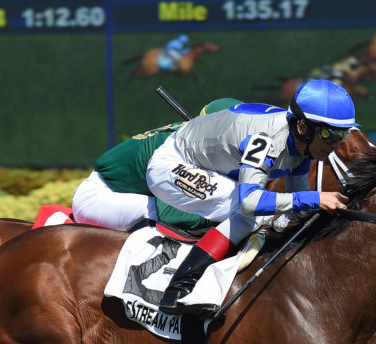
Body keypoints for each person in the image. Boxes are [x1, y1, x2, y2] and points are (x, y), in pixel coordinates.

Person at [145, 79, 359, 316]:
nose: (337, 145)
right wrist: (315, 199)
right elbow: (251, 203)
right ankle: (178, 289)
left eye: (343, 134)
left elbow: (298, 205)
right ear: (302, 127)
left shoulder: (303, 147)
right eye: (329, 134)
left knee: (273, 215)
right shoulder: (266, 139)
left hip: (208, 165)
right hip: (171, 165)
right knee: (250, 214)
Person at [71, 97, 243, 234]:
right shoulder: (179, 152)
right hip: (99, 199)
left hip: (129, 189)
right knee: (197, 220)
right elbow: (176, 212)